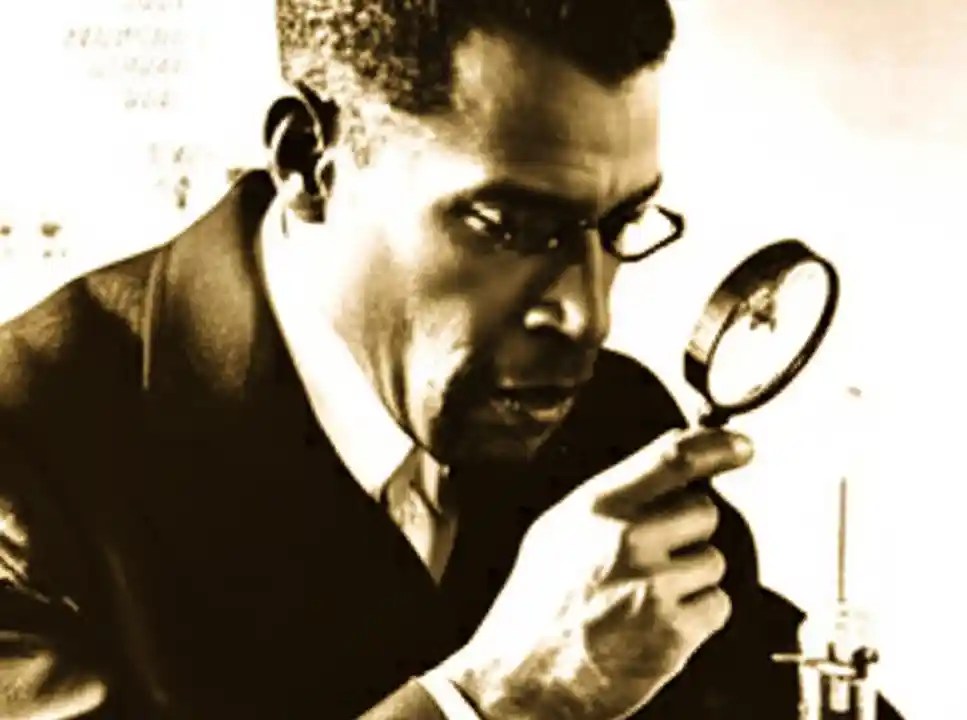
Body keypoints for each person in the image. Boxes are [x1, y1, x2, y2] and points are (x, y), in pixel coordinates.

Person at [0, 2, 903, 718]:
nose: (586, 314)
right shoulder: (28, 455)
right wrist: (500, 700)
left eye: (623, 223)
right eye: (508, 226)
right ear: (310, 161)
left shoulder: (615, 421)